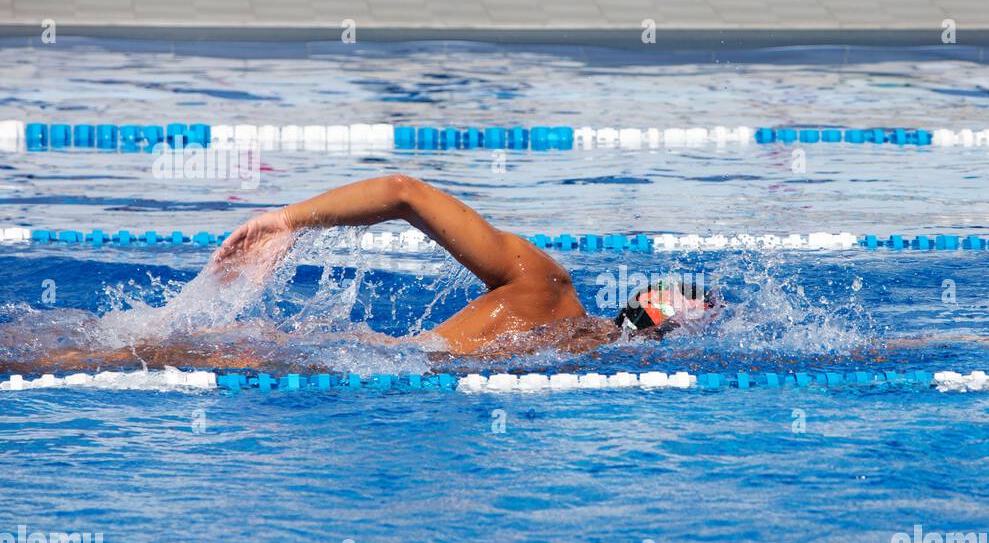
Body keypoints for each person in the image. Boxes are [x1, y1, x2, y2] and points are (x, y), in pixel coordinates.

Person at [212, 173, 718, 357]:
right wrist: (287, 221)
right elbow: (403, 192)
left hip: (342, 360)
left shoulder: (579, 349)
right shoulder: (547, 287)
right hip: (321, 356)